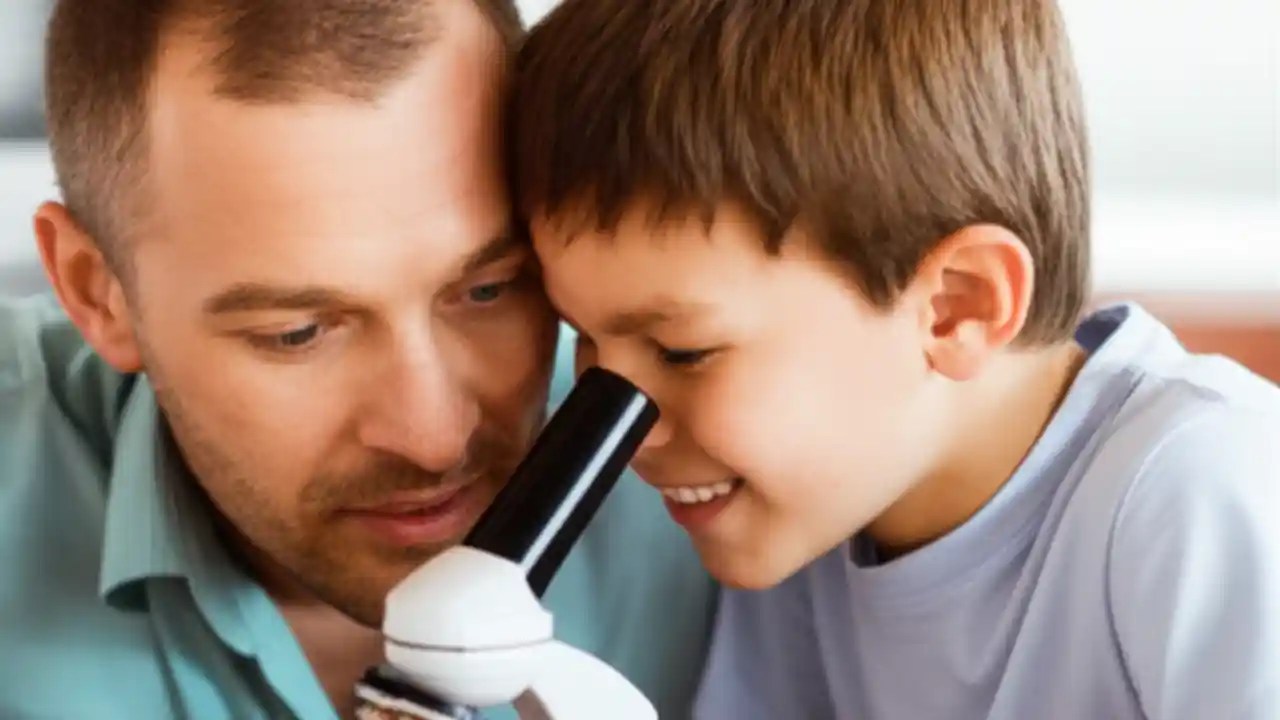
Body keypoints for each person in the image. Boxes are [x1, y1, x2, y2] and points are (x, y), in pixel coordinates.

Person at [511, 0, 1280, 718]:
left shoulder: (1202, 487)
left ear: (957, 305)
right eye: (586, 339)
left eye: (683, 351)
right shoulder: (804, 529)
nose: (621, 432)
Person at [0, 1, 715, 718]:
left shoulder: (719, 471)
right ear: (99, 293)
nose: (434, 439)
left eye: (489, 290)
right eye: (297, 333)